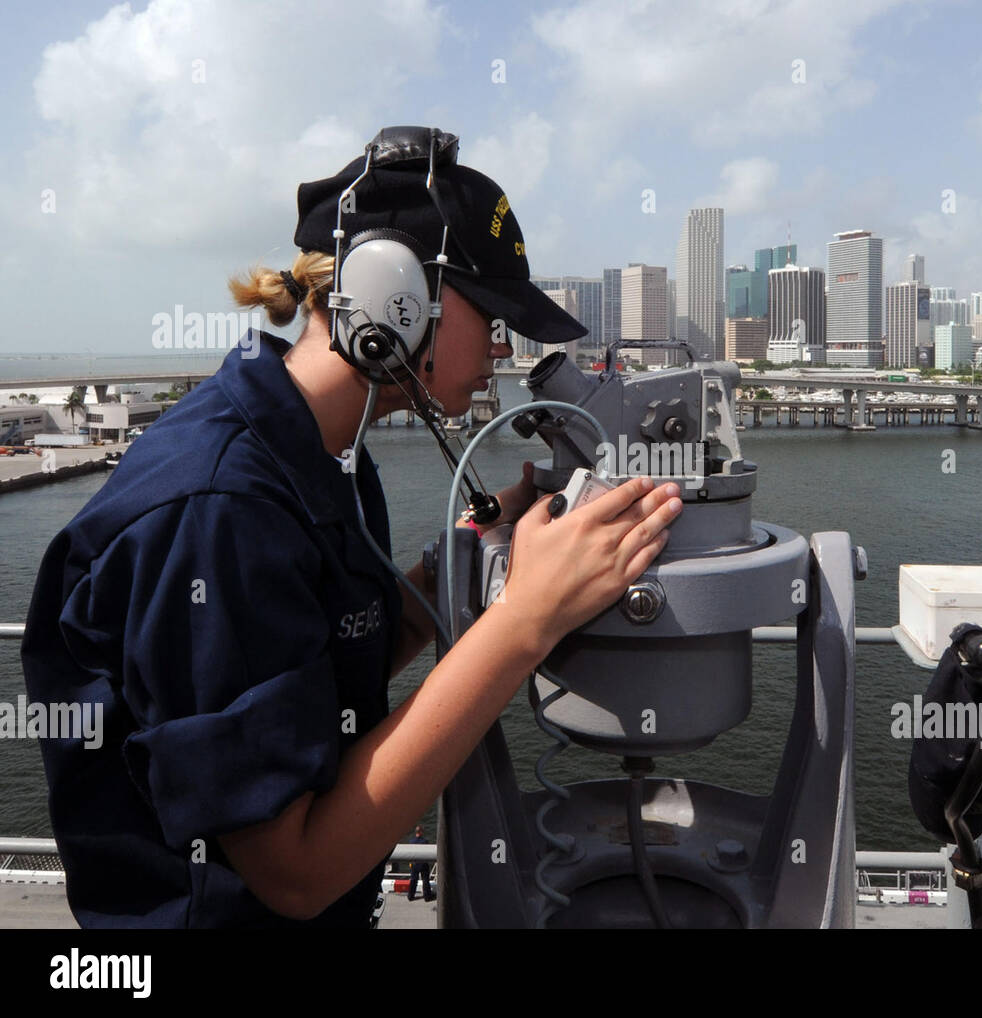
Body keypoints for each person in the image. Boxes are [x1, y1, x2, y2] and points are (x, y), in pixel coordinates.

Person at [21, 127, 682, 928]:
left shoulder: (321, 449)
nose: (503, 349)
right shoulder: (220, 508)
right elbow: (294, 874)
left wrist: (460, 567)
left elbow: (333, 650)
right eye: (494, 316)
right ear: (394, 300)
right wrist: (524, 622)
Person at [406, 825, 433, 903]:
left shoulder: (411, 841)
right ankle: (427, 897)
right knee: (425, 880)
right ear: (421, 832)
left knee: (413, 880)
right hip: (423, 863)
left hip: (414, 864)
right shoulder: (425, 841)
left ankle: (410, 896)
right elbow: (427, 852)